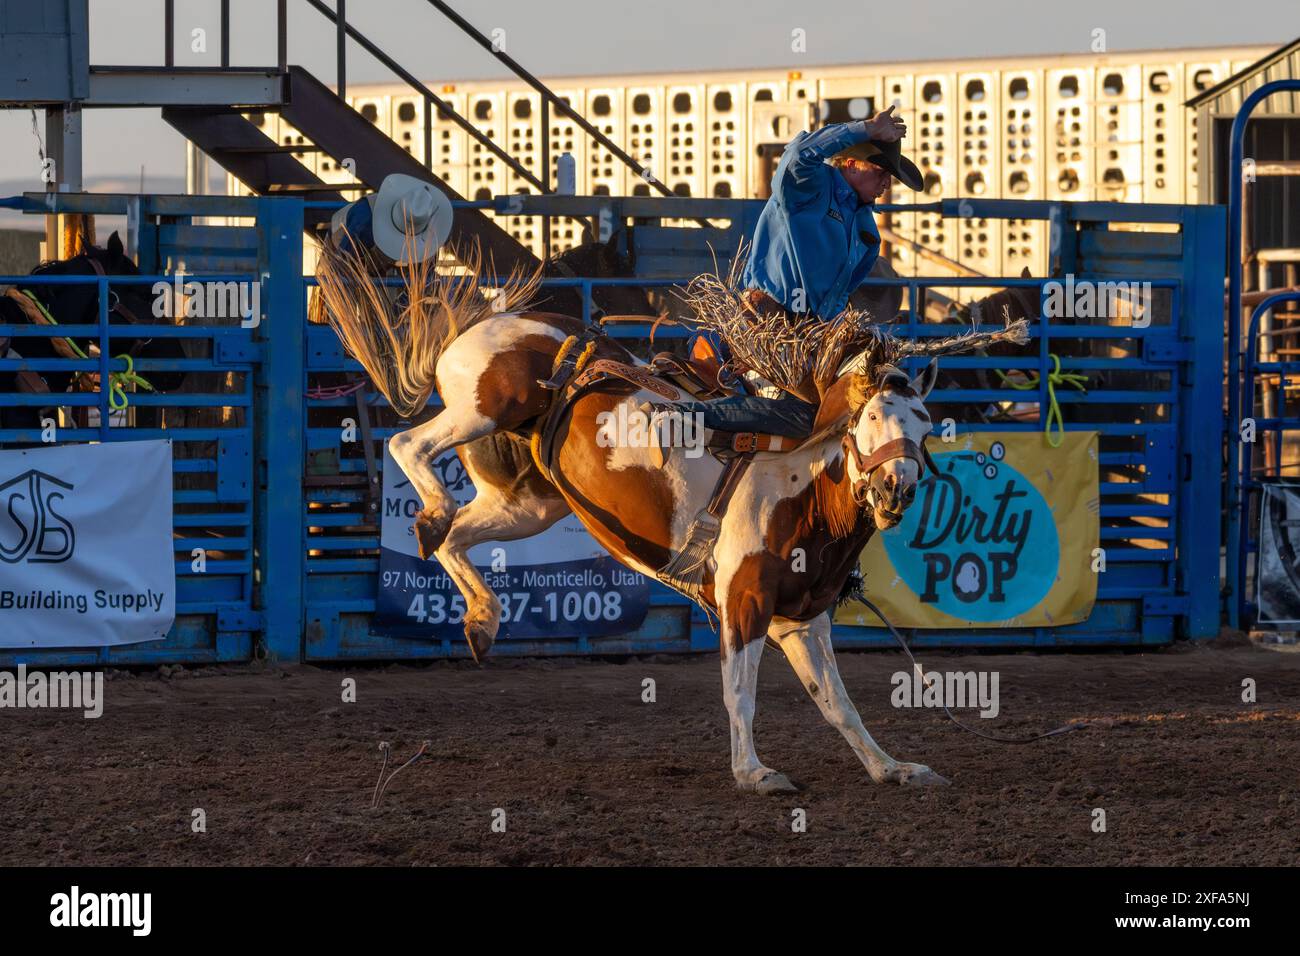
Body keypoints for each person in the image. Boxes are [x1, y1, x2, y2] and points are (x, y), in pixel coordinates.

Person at [669, 106, 923, 440]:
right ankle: (684, 417)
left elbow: (838, 296)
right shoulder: (808, 186)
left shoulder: (866, 231)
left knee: (845, 406)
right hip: (764, 320)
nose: (886, 183)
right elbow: (799, 152)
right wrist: (863, 129)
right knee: (803, 417)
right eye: (880, 171)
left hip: (810, 334)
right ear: (850, 165)